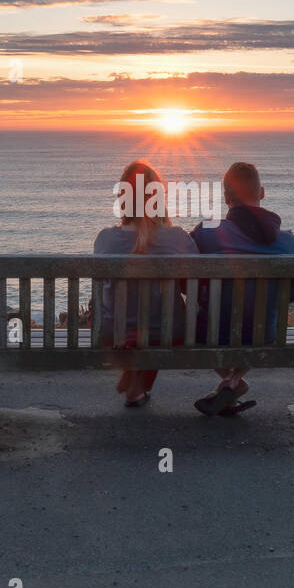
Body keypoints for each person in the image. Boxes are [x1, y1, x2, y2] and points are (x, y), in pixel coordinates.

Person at [190, 161, 294, 416]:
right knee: (259, 322)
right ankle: (234, 382)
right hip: (265, 334)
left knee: (192, 318)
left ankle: (233, 382)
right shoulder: (287, 241)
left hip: (211, 333)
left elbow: (186, 283)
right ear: (261, 193)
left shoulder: (207, 233)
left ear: (226, 197)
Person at [93, 160, 198, 407]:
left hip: (112, 333)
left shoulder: (105, 239)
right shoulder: (177, 238)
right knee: (160, 323)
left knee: (141, 324)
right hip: (167, 333)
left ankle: (135, 385)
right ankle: (136, 386)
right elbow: (192, 285)